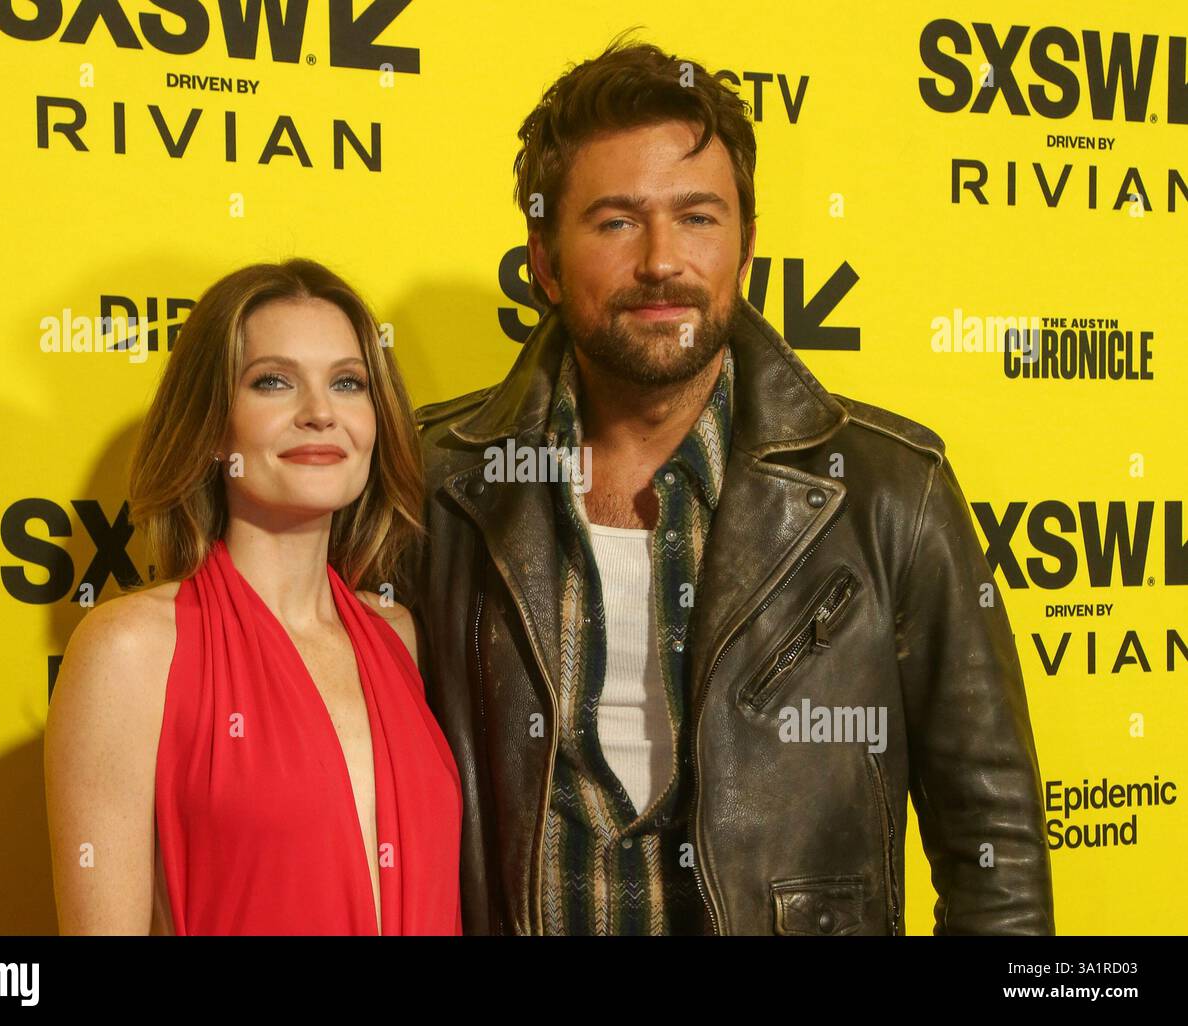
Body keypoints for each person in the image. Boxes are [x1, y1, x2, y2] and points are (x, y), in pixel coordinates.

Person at [405, 31, 1054, 935]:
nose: (662, 260)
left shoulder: (886, 491)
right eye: (616, 220)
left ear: (746, 248)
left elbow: (996, 845)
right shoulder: (432, 482)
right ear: (545, 258)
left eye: (699, 217)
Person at [45, 258, 462, 935]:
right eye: (273, 382)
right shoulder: (132, 649)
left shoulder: (400, 638)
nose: (320, 413)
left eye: (348, 383)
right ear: (212, 426)